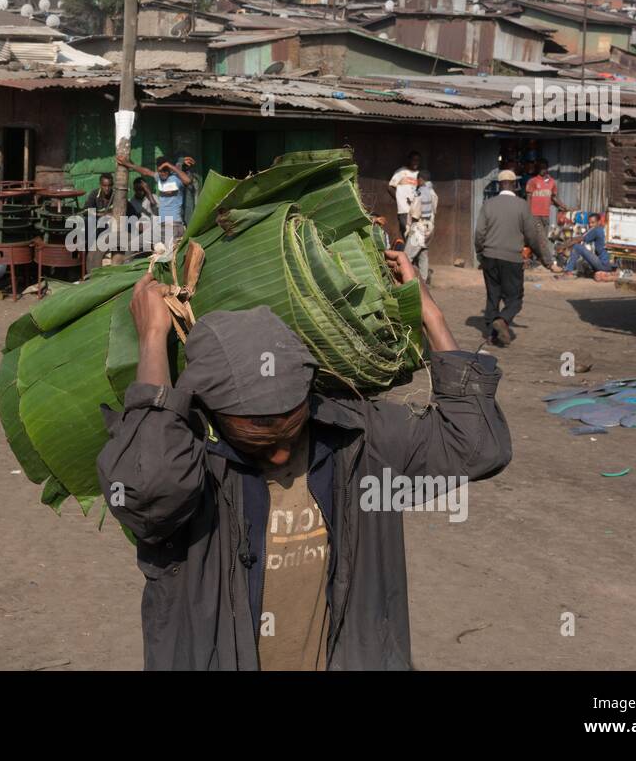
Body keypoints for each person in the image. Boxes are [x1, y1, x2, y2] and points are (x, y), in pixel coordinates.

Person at [97, 252, 511, 670]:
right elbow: (149, 490)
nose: (281, 454)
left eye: (291, 431)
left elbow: (475, 446)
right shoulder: (192, 460)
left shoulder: (357, 438)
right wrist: (153, 338)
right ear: (212, 412)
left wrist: (429, 314)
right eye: (258, 440)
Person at [473, 169, 560, 347]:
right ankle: (503, 319)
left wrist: (480, 253)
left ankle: (491, 335)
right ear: (514, 185)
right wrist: (544, 259)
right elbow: (532, 236)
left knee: (493, 296)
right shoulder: (522, 206)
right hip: (512, 258)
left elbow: (479, 232)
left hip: (490, 256)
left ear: (499, 185)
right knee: (515, 298)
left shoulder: (488, 204)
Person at [118, 155, 191, 245]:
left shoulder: (176, 179)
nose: (163, 173)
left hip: (174, 225)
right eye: (160, 171)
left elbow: (187, 180)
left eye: (165, 170)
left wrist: (169, 165)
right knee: (132, 246)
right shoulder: (159, 178)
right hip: (161, 226)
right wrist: (127, 164)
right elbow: (145, 172)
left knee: (169, 252)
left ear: (169, 170)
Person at [403, 169, 437, 284]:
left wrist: (410, 227)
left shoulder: (420, 193)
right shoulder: (432, 193)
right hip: (429, 227)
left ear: (421, 180)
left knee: (407, 256)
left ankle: (407, 282)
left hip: (419, 228)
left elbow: (415, 213)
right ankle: (424, 282)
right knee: (423, 254)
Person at [525, 159, 566, 245]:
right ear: (537, 168)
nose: (542, 170)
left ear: (547, 168)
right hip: (534, 215)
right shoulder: (532, 181)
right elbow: (529, 198)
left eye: (544, 168)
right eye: (540, 168)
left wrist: (563, 206)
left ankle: (541, 253)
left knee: (544, 237)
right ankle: (538, 252)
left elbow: (553, 197)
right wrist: (528, 213)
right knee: (537, 237)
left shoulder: (551, 182)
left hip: (545, 215)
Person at [388, 151, 422, 239]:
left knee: (415, 234)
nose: (416, 162)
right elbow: (390, 187)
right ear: (409, 160)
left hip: (415, 210)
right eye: (414, 160)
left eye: (418, 160)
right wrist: (400, 200)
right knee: (407, 232)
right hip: (404, 210)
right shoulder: (401, 172)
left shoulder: (419, 174)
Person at [179, 156, 202, 226]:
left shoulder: (194, 179)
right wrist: (181, 161)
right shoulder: (174, 178)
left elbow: (196, 198)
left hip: (188, 213)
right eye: (184, 166)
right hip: (175, 214)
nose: (186, 167)